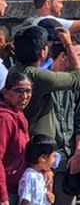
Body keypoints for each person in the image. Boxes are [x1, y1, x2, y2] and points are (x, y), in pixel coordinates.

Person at [10, 26, 80, 141]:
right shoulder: (38, 77)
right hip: (38, 144)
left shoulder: (14, 70)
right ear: (42, 52)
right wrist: (68, 45)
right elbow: (79, 78)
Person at [44, 36, 80, 205]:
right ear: (64, 56)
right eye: (78, 55)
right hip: (43, 158)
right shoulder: (43, 80)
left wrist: (78, 153)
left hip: (68, 159)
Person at [0, 71, 33, 205]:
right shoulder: (5, 118)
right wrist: (3, 197)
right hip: (7, 190)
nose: (25, 96)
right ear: (6, 92)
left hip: (17, 187)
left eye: (28, 91)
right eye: (19, 91)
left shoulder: (19, 113)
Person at [19, 135, 56, 205]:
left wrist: (51, 196)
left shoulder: (41, 174)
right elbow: (25, 201)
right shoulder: (30, 176)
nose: (54, 160)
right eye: (53, 156)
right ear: (43, 158)